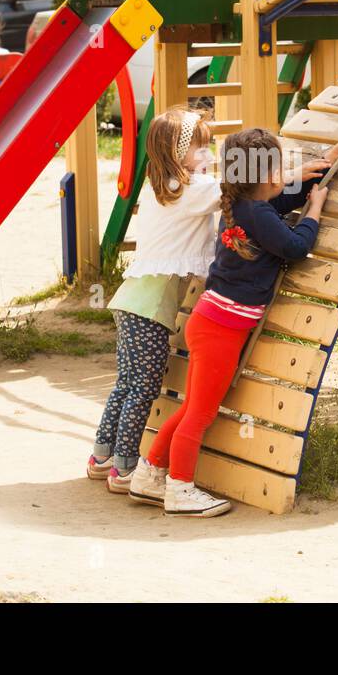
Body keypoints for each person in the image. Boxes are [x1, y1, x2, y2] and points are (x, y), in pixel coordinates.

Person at [129, 129, 338, 517]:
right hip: (221, 329)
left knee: (190, 408)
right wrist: (315, 210)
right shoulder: (258, 213)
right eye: (281, 168)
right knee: (201, 414)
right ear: (268, 177)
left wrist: (325, 164)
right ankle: (181, 489)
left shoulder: (243, 204)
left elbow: (284, 198)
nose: (285, 174)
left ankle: (149, 474)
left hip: (211, 321)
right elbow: (294, 247)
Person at [87, 108, 219, 493]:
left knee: (126, 384)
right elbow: (238, 189)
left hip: (131, 301)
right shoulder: (190, 190)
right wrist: (294, 171)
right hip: (148, 310)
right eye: (201, 148)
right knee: (143, 388)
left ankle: (102, 457)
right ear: (178, 155)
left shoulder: (162, 188)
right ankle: (125, 468)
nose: (208, 156)